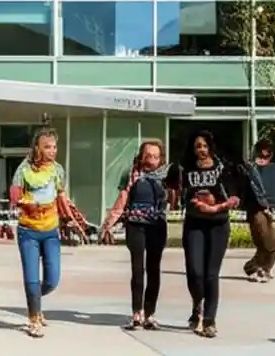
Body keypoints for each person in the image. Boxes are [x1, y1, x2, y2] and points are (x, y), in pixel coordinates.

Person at [166, 129, 242, 339]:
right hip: (194, 223)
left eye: (205, 146)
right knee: (194, 271)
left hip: (218, 224)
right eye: (198, 146)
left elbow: (235, 197)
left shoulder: (224, 167)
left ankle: (209, 320)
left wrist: (216, 207)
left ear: (211, 147)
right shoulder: (185, 169)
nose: (202, 150)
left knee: (211, 274)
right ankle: (197, 304)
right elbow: (181, 193)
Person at [9, 127, 81, 339]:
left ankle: (35, 301)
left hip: (50, 230)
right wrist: (26, 203)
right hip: (28, 230)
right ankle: (33, 319)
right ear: (37, 148)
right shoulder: (23, 170)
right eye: (47, 147)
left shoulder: (58, 170)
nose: (52, 151)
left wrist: (72, 218)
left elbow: (61, 196)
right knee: (31, 277)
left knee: (52, 280)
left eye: (54, 147)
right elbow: (14, 196)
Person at [99, 139, 170, 331]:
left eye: (155, 157)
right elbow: (122, 198)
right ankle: (137, 312)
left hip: (157, 226)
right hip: (135, 225)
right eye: (148, 156)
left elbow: (176, 195)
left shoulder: (166, 176)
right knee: (137, 269)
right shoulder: (131, 174)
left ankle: (150, 313)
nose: (151, 160)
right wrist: (109, 223)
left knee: (154, 269)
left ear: (161, 158)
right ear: (141, 155)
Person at [240, 140, 275, 283]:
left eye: (267, 155)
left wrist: (271, 208)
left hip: (266, 210)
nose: (263, 158)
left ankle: (255, 267)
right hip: (256, 211)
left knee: (268, 244)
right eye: (260, 155)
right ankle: (259, 269)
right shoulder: (251, 170)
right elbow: (252, 191)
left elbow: (272, 190)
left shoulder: (272, 169)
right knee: (270, 244)